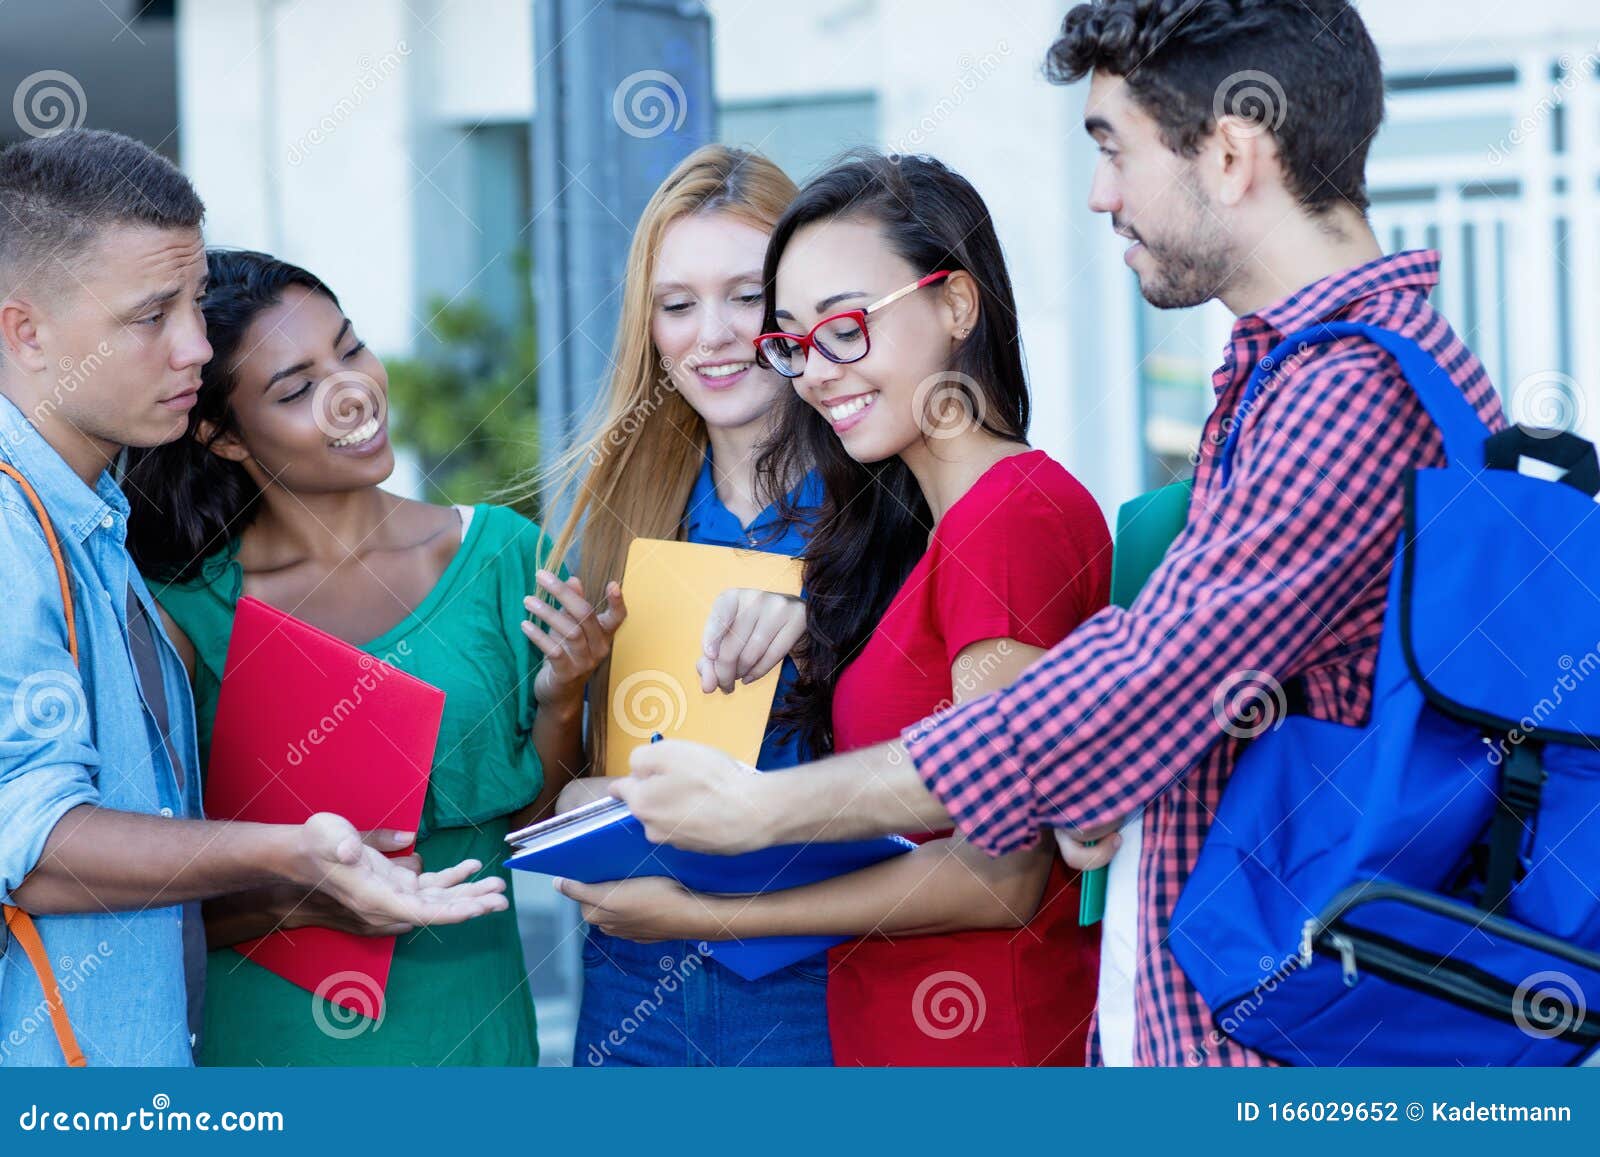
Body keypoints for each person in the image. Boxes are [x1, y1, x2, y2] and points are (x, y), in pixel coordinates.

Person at [592, 0, 1507, 1068]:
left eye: (1114, 148)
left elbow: (1129, 688)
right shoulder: (1307, 374)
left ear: (1228, 152)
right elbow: (1168, 707)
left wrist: (756, 810)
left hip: (1280, 1050)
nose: (1099, 194)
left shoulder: (1342, 390)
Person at [560, 152, 1111, 1066]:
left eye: (845, 327)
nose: (816, 370)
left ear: (957, 305)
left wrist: (728, 866)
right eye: (795, 339)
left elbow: (1003, 864)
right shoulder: (947, 526)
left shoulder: (1007, 516)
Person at [0, 129, 506, 1069]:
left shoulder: (95, 525)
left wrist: (295, 881)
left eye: (194, 302)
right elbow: (35, 846)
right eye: (152, 314)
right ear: (27, 332)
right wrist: (288, 853)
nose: (195, 345)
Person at [118, 249, 618, 1065]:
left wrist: (564, 697)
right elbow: (155, 904)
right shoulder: (189, 616)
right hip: (277, 1056)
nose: (350, 395)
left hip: (477, 1041)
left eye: (349, 349)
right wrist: (314, 901)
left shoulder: (507, 558)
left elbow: (531, 835)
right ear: (224, 436)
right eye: (296, 388)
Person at [522, 144, 833, 1067]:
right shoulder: (617, 517)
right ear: (647, 328)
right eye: (678, 304)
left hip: (822, 992)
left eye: (747, 296)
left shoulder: (884, 515)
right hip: (636, 996)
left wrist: (829, 623)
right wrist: (563, 693)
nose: (715, 335)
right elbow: (549, 810)